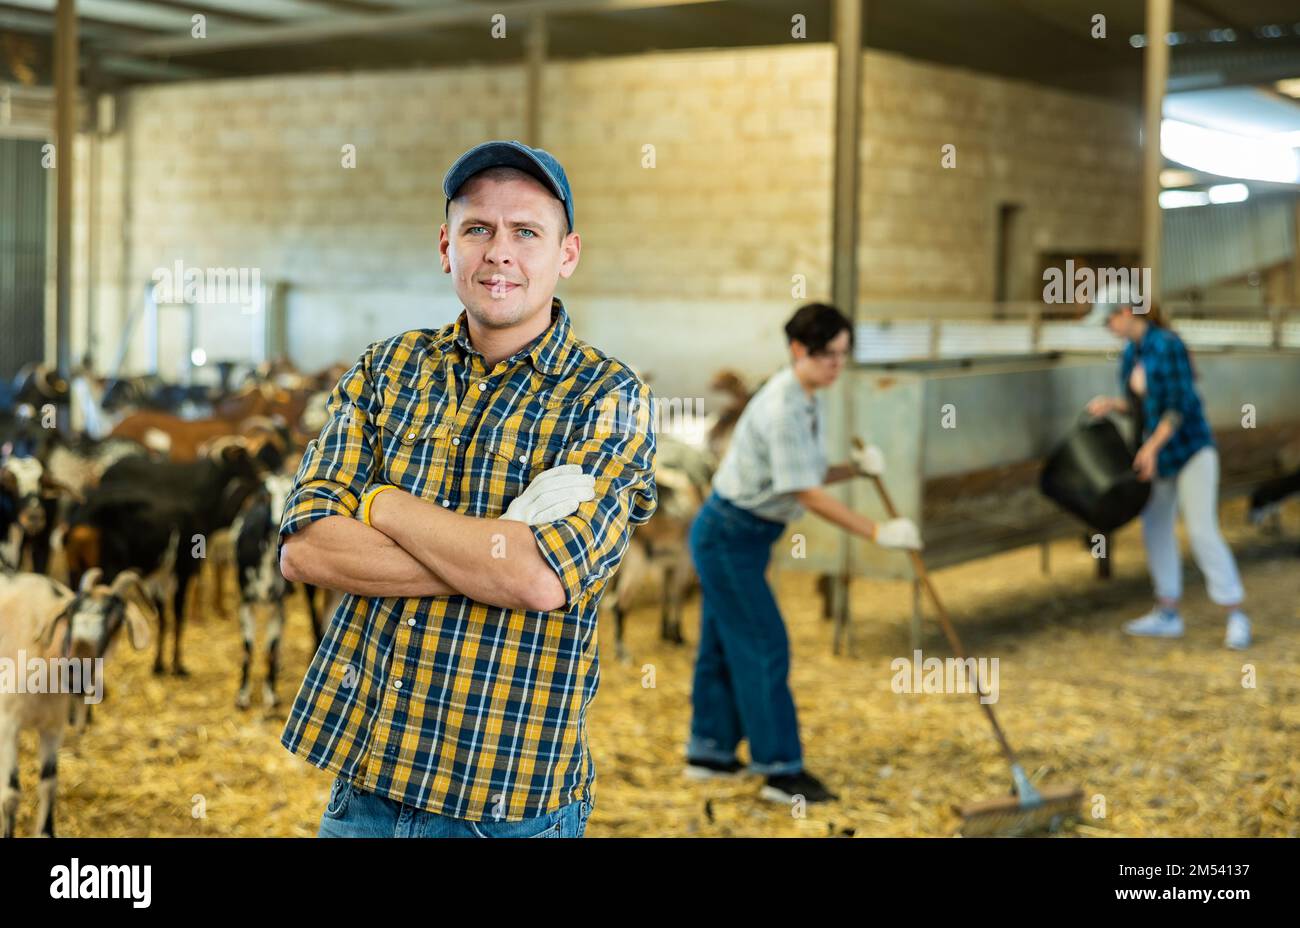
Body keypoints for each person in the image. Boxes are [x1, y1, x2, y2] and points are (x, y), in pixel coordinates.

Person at [278, 140, 658, 837]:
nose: (499, 252)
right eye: (477, 228)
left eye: (526, 232)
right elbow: (306, 552)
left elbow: (542, 580)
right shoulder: (387, 369)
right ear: (445, 246)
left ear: (566, 254)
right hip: (363, 791)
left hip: (505, 804)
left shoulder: (608, 397)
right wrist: (491, 553)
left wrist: (380, 504)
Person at [685, 303, 922, 804]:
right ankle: (781, 771)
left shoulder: (805, 392)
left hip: (740, 534)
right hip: (730, 535)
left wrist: (852, 469)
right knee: (764, 643)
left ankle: (710, 754)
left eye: (842, 355)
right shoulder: (784, 408)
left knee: (727, 642)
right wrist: (877, 532)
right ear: (798, 350)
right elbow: (806, 494)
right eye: (825, 355)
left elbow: (802, 474)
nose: (835, 365)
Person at [1082, 286, 1250, 649]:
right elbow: (1141, 405)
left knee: (1202, 529)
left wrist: (1152, 447)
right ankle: (1167, 611)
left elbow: (1179, 406)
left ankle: (1235, 612)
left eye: (1110, 318)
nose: (1109, 326)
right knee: (1155, 527)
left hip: (1190, 450)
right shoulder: (1131, 353)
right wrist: (1113, 404)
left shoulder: (1168, 345)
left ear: (1128, 311)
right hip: (1156, 456)